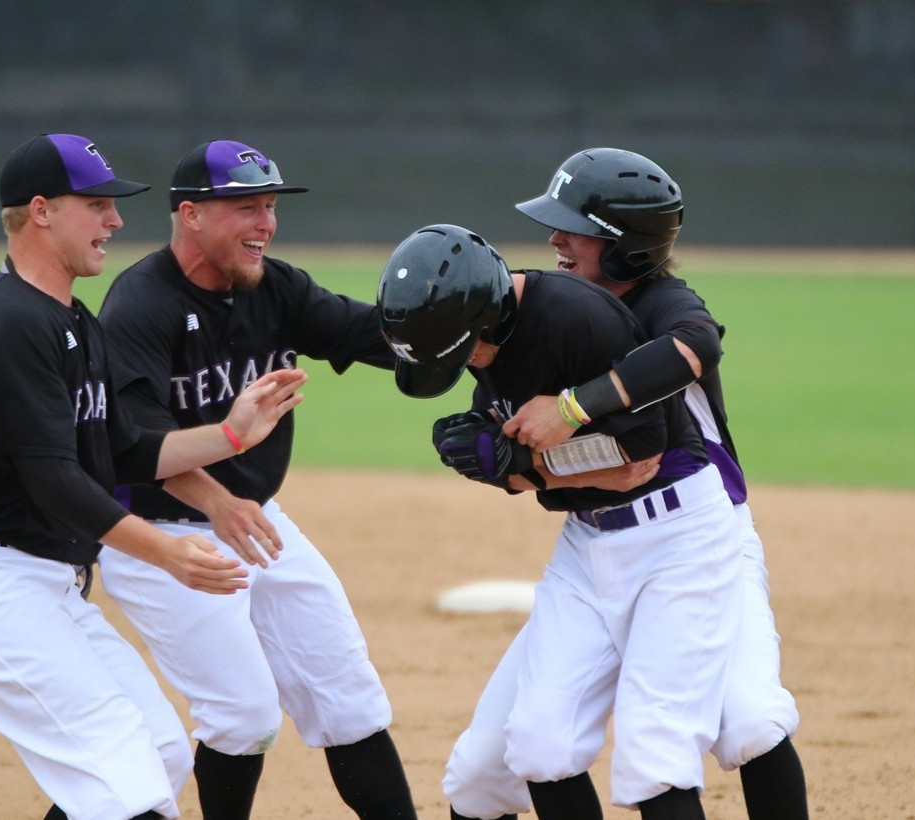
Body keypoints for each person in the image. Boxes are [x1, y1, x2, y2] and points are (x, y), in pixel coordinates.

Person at [0, 132, 306, 820]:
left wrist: (230, 433)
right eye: (99, 203)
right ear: (42, 211)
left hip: (38, 580)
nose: (115, 219)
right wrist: (166, 550)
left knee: (161, 755)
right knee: (125, 783)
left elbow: (126, 449)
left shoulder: (71, 320)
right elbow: (52, 476)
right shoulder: (11, 319)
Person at [94, 139, 417, 819]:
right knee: (242, 716)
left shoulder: (279, 287)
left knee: (348, 696)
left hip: (253, 518)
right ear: (189, 216)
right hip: (159, 531)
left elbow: (371, 335)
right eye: (245, 207)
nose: (265, 223)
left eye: (269, 206)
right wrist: (216, 502)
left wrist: (466, 337)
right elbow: (134, 446)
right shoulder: (139, 305)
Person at [377, 223, 745, 820]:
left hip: (680, 539)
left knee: (656, 754)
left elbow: (640, 454)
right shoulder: (487, 337)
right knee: (538, 744)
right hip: (588, 546)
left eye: (465, 350)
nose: (468, 364)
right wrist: (507, 463)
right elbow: (529, 460)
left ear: (487, 318)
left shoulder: (575, 317)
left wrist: (544, 454)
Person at [502, 147, 808, 819]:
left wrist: (575, 407)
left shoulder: (667, 301)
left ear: (626, 249)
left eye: (574, 227)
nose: (554, 239)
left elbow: (695, 345)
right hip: (594, 546)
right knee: (538, 741)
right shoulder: (559, 306)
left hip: (702, 540)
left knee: (752, 722)